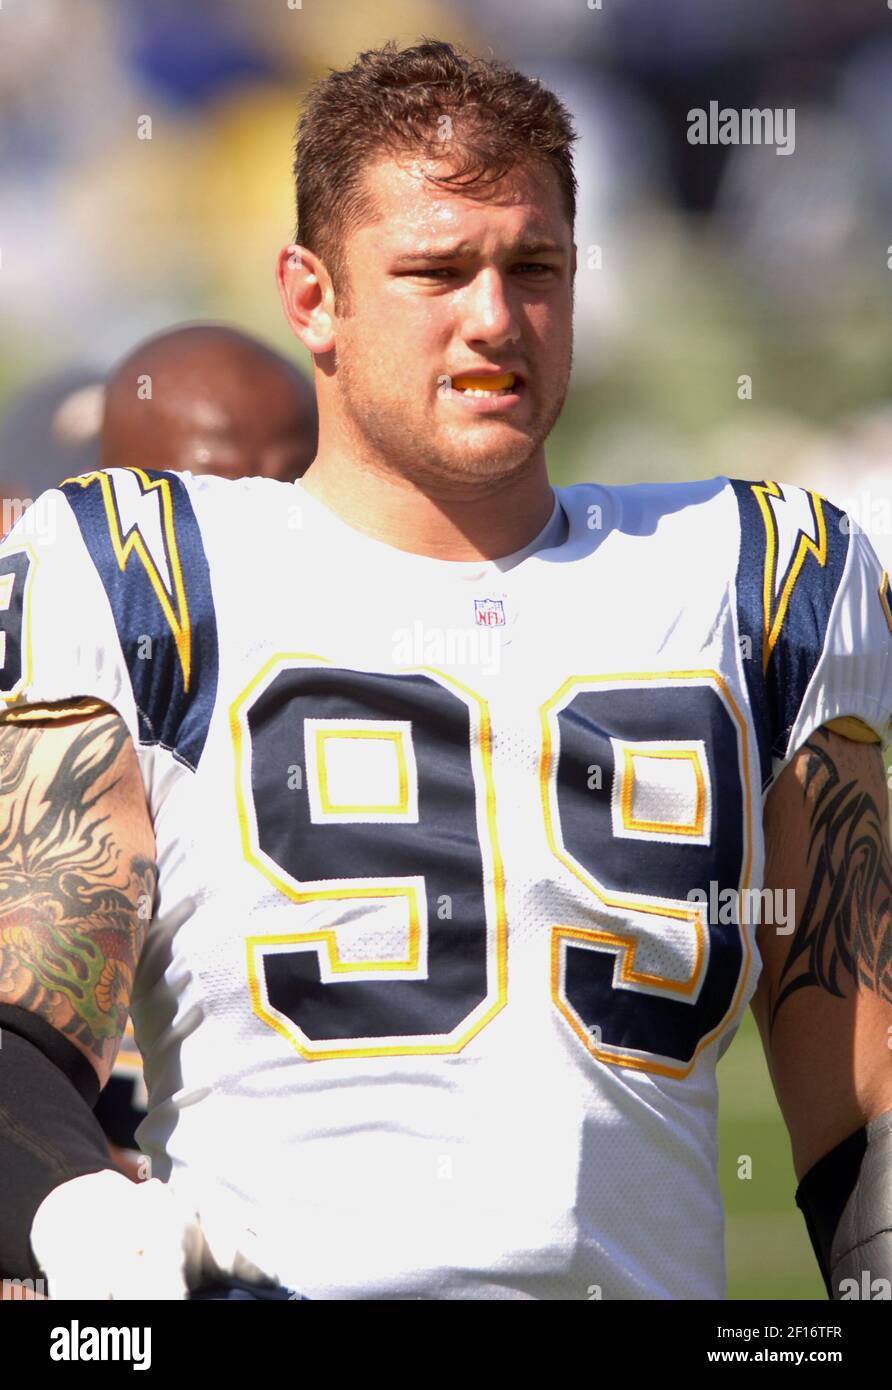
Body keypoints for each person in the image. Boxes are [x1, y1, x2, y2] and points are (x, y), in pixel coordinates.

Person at [1, 39, 891, 1301]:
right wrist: (79, 1221)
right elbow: (18, 1024)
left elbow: (860, 1103)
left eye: (534, 267)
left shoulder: (758, 574)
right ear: (311, 297)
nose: (494, 317)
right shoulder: (149, 571)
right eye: (434, 270)